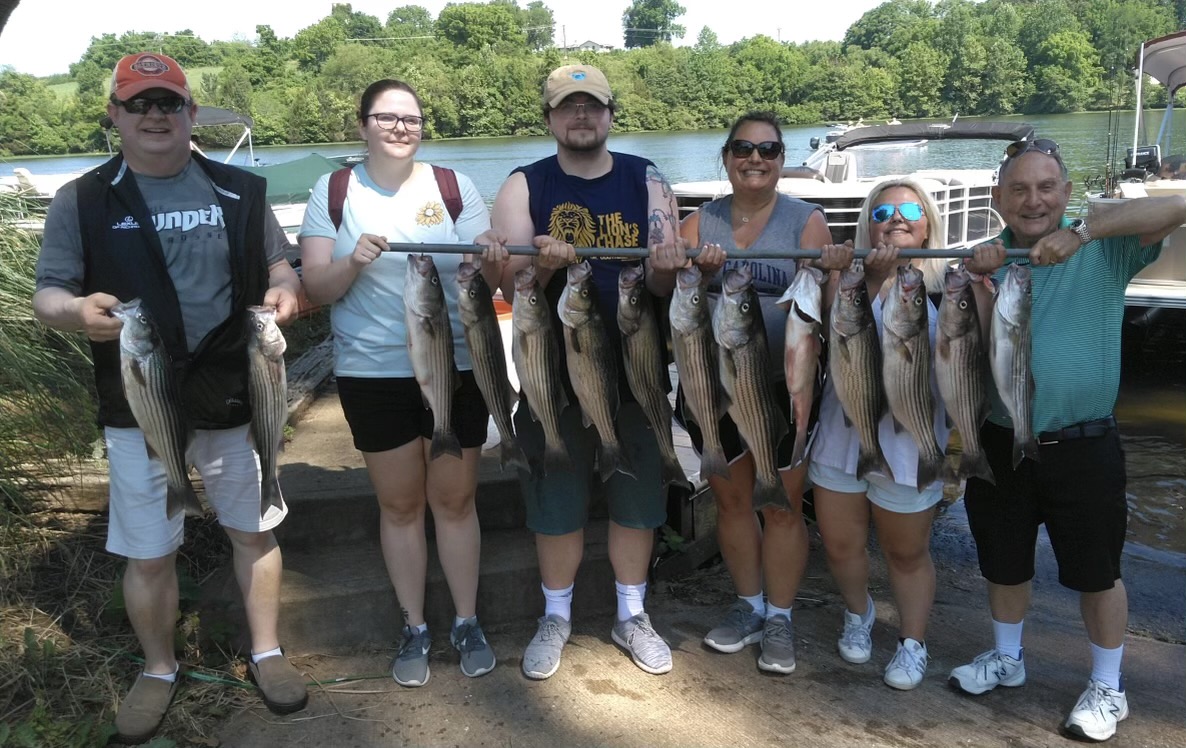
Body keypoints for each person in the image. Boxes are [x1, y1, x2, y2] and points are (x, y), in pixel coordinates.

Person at [32, 53, 307, 744]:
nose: (155, 115)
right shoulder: (83, 199)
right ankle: (158, 669)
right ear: (115, 117)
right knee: (149, 551)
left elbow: (278, 264)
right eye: (139, 104)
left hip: (232, 388)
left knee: (254, 530)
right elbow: (49, 295)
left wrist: (285, 288)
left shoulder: (240, 189)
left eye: (168, 103)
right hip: (140, 395)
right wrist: (74, 314)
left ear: (189, 114)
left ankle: (268, 653)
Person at [952, 137, 1186, 741]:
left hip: (1084, 444)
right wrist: (975, 281)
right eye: (1020, 189)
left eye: (1046, 187)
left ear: (1066, 192)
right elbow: (971, 351)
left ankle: (1109, 685)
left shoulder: (1104, 248)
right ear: (999, 198)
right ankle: (1007, 658)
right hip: (1003, 436)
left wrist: (1082, 232)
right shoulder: (988, 257)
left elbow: (1176, 208)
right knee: (1003, 564)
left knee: (1096, 572)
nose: (1034, 201)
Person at [298, 79, 507, 688]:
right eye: (386, 118)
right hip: (372, 371)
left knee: (455, 500)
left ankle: (466, 621)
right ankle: (415, 625)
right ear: (363, 125)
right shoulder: (334, 191)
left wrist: (493, 251)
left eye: (410, 118)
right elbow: (317, 288)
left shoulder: (452, 187)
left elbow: (489, 280)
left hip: (455, 364)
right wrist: (352, 260)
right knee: (400, 504)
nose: (399, 128)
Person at [488, 64, 689, 679]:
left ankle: (632, 614)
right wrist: (542, 269)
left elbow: (660, 275)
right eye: (567, 107)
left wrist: (668, 262)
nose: (581, 116)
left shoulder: (644, 177)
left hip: (637, 369)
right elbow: (508, 283)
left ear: (609, 114)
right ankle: (557, 616)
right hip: (555, 371)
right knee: (556, 502)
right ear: (549, 118)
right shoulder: (525, 184)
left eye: (592, 106)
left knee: (636, 500)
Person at [676, 111, 830, 674]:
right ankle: (748, 607)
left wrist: (835, 271)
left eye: (767, 150)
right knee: (733, 501)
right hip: (708, 386)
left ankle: (781, 618)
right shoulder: (699, 224)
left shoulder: (806, 222)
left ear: (782, 159)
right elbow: (662, 289)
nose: (755, 159)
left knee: (783, 506)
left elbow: (831, 306)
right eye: (743, 148)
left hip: (781, 390)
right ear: (726, 157)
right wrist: (674, 264)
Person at [808, 177, 951, 690]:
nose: (896, 217)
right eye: (883, 210)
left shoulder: (947, 284)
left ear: (929, 220)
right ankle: (858, 611)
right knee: (842, 545)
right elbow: (825, 335)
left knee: (906, 553)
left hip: (911, 445)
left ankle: (912, 643)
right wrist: (866, 282)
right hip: (844, 436)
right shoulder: (843, 277)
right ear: (867, 224)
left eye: (909, 208)